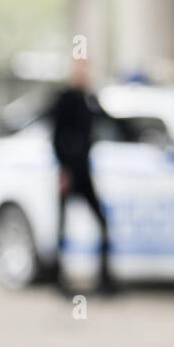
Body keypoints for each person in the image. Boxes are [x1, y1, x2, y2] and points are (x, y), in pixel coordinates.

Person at [48, 58, 117, 295]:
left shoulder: (89, 99)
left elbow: (110, 122)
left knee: (102, 223)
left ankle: (105, 280)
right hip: (69, 171)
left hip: (85, 171)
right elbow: (56, 137)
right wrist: (64, 168)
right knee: (62, 228)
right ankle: (59, 280)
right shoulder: (64, 99)